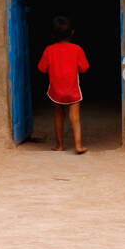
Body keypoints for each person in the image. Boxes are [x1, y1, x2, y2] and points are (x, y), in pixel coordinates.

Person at [37, 15, 90, 154]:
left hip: (55, 90)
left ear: (53, 34)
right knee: (75, 117)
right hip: (73, 90)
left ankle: (59, 145)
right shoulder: (77, 49)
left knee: (59, 115)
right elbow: (84, 68)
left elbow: (42, 68)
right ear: (72, 32)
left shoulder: (49, 50)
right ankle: (78, 146)